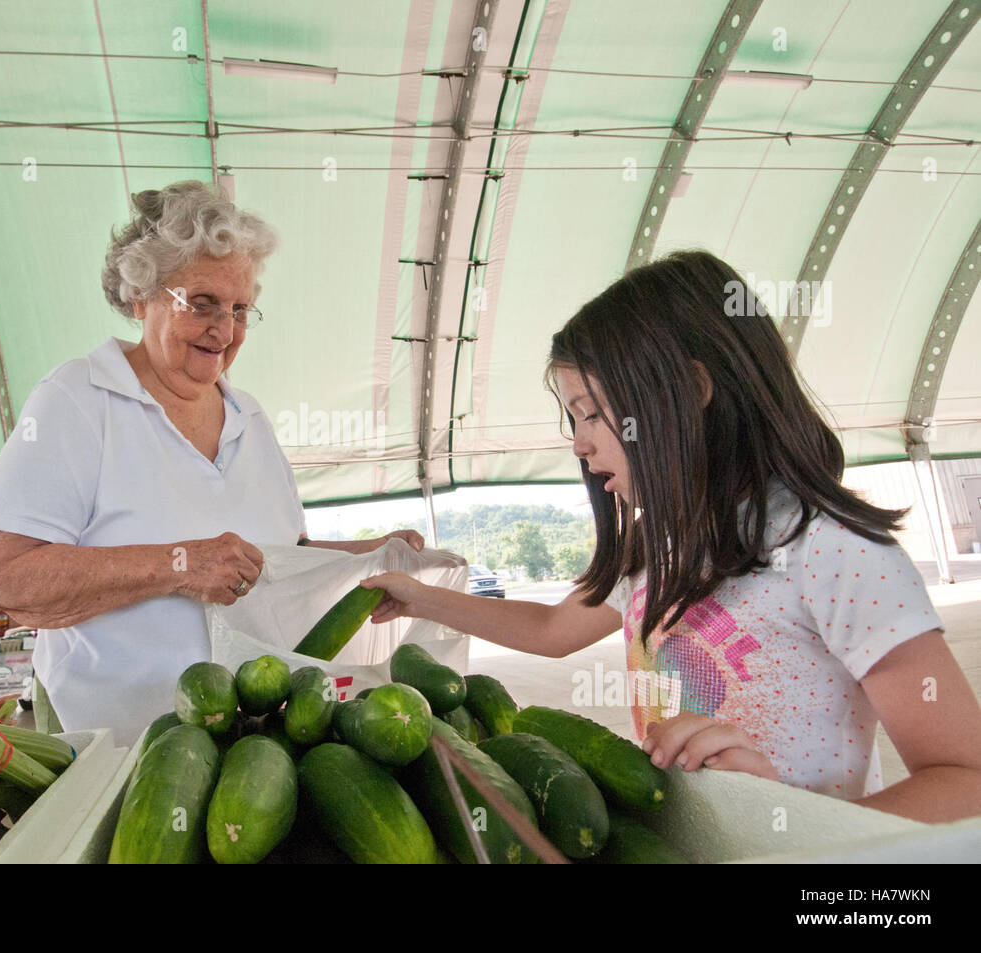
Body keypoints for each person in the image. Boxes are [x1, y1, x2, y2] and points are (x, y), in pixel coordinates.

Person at [363, 250, 981, 824]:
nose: (579, 443)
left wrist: (787, 823)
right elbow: (552, 632)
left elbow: (965, 777)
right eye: (573, 418)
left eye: (592, 412)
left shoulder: (833, 549)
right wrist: (419, 595)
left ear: (689, 391)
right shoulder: (661, 546)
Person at [0, 180, 422, 745]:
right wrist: (180, 565)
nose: (225, 330)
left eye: (239, 310)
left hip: (255, 738)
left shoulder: (249, 417)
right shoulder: (78, 399)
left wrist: (374, 554)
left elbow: (284, 554)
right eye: (202, 304)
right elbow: (0, 577)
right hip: (118, 748)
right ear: (141, 296)